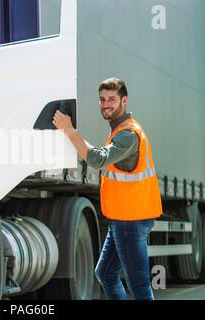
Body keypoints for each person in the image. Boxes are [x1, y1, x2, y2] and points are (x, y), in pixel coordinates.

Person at [52, 77, 162, 300]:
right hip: (122, 218)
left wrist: (69, 131)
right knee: (105, 272)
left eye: (112, 99)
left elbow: (97, 158)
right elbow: (101, 155)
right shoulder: (119, 131)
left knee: (138, 284)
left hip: (130, 219)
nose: (105, 104)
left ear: (124, 100)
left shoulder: (128, 134)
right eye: (102, 99)